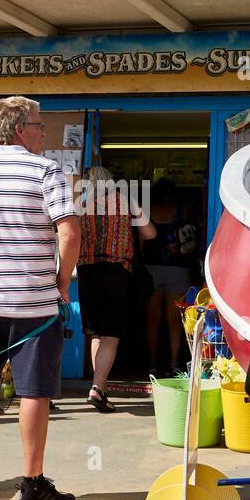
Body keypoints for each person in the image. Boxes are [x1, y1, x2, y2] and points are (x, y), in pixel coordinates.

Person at [0, 96, 82, 500]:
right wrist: (61, 285)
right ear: (20, 129)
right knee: (34, 392)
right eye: (40, 125)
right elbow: (70, 233)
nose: (43, 133)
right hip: (33, 302)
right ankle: (31, 484)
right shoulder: (47, 171)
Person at [75, 166, 155, 413]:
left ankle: (100, 387)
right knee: (111, 334)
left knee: (95, 333)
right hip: (116, 270)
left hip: (87, 271)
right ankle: (97, 388)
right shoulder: (124, 200)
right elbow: (150, 232)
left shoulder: (80, 204)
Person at [141, 178, 197, 373]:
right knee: (174, 321)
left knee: (152, 319)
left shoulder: (147, 211)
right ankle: (174, 363)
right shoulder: (183, 210)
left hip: (152, 269)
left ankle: (152, 364)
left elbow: (141, 243)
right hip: (178, 269)